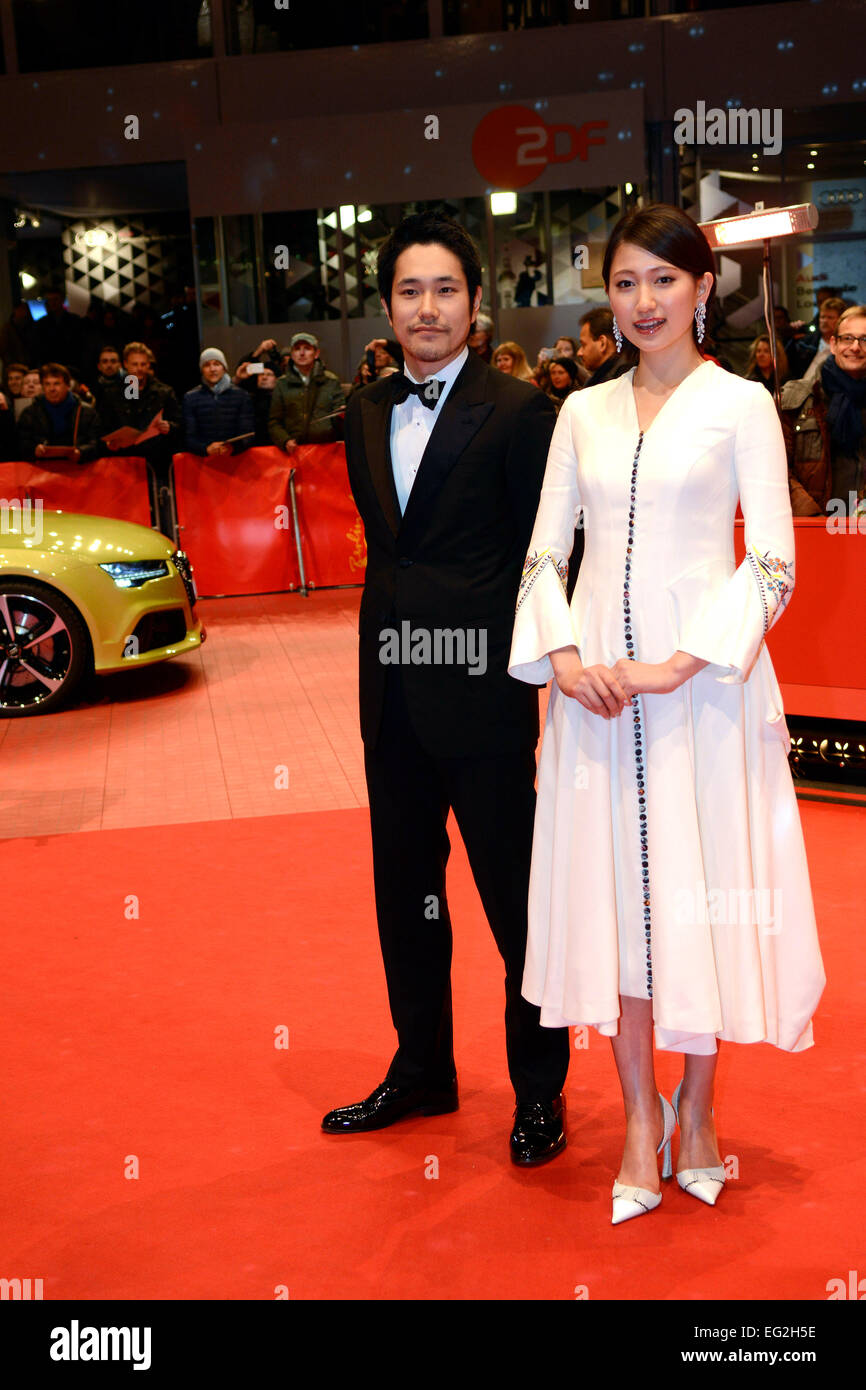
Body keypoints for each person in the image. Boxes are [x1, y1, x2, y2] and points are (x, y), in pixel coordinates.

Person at [508, 202, 825, 1225]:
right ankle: (635, 1118)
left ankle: (696, 1107)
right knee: (616, 909)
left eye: (662, 280)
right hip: (595, 700)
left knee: (694, 900)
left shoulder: (741, 405)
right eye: (624, 282)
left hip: (704, 699)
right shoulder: (578, 414)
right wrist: (561, 654)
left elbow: (771, 560)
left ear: (702, 289)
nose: (642, 302)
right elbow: (546, 552)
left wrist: (680, 663)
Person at [323, 210, 570, 1162]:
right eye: (409, 291)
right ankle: (422, 1069)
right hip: (391, 697)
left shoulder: (518, 411)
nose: (427, 308)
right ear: (386, 306)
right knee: (406, 898)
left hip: (482, 700)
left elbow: (549, 555)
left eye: (445, 290)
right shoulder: (362, 408)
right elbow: (394, 552)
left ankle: (538, 1092)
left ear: (475, 302)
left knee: (516, 903)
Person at [780, 303, 866, 515]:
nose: (855, 347)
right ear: (834, 344)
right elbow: (777, 469)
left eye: (864, 339)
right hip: (816, 529)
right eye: (848, 338)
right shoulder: (796, 398)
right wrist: (814, 519)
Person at [99, 341, 182, 533]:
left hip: (157, 463)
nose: (139, 369)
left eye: (143, 364)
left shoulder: (163, 391)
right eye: (135, 364)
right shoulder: (113, 393)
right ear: (125, 365)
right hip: (124, 465)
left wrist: (169, 427)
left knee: (162, 518)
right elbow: (103, 428)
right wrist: (109, 443)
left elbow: (179, 424)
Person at [268, 333, 346, 453]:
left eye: (307, 348)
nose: (302, 353)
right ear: (292, 354)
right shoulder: (282, 384)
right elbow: (274, 421)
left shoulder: (331, 381)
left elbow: (339, 417)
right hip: (293, 452)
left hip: (326, 451)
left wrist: (343, 416)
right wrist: (284, 440)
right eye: (297, 349)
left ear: (316, 353)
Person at [16, 362, 103, 464]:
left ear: (67, 385)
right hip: (42, 471)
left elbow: (96, 443)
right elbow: (20, 443)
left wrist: (81, 452)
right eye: (47, 384)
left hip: (79, 471)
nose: (52, 389)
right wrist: (34, 450)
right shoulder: (30, 413)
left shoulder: (87, 412)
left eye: (56, 383)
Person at [183, 348, 255, 457]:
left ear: (224, 368)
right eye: (207, 365)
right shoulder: (190, 398)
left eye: (216, 364)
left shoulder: (241, 395)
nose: (212, 369)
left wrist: (233, 448)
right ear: (202, 370)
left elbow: (248, 433)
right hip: (203, 463)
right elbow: (189, 437)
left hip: (236, 461)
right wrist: (205, 448)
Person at [577, 306, 634, 387]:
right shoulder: (621, 375)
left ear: (602, 343)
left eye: (583, 345)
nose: (579, 353)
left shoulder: (620, 381)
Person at [799, 296, 847, 387]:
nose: (824, 321)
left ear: (840, 320)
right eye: (822, 317)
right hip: (801, 391)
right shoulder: (806, 343)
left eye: (830, 317)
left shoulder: (846, 346)